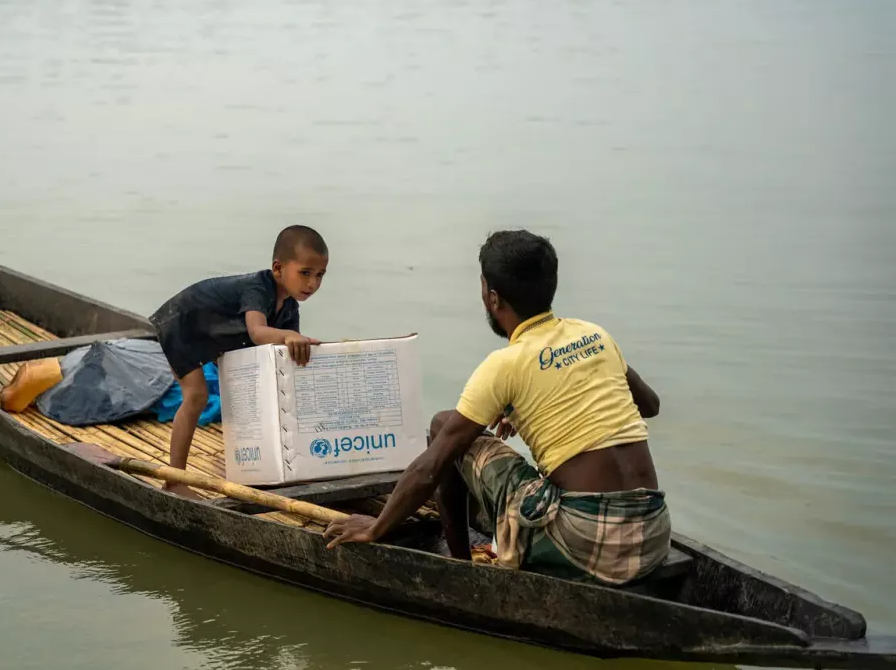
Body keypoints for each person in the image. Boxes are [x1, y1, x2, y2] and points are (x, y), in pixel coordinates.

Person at [325, 230, 670, 586]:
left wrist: (376, 527)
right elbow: (649, 405)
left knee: (443, 424)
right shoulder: (595, 335)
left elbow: (432, 466)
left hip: (583, 543)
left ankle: (458, 565)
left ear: (493, 298)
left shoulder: (505, 364)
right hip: (653, 533)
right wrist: (536, 406)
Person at [151, 226, 329, 499]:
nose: (313, 284)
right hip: (183, 322)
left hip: (218, 332)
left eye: (320, 275)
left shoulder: (290, 308)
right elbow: (258, 332)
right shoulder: (258, 288)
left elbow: (280, 354)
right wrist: (291, 336)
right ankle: (174, 479)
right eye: (305, 273)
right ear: (278, 268)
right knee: (196, 396)